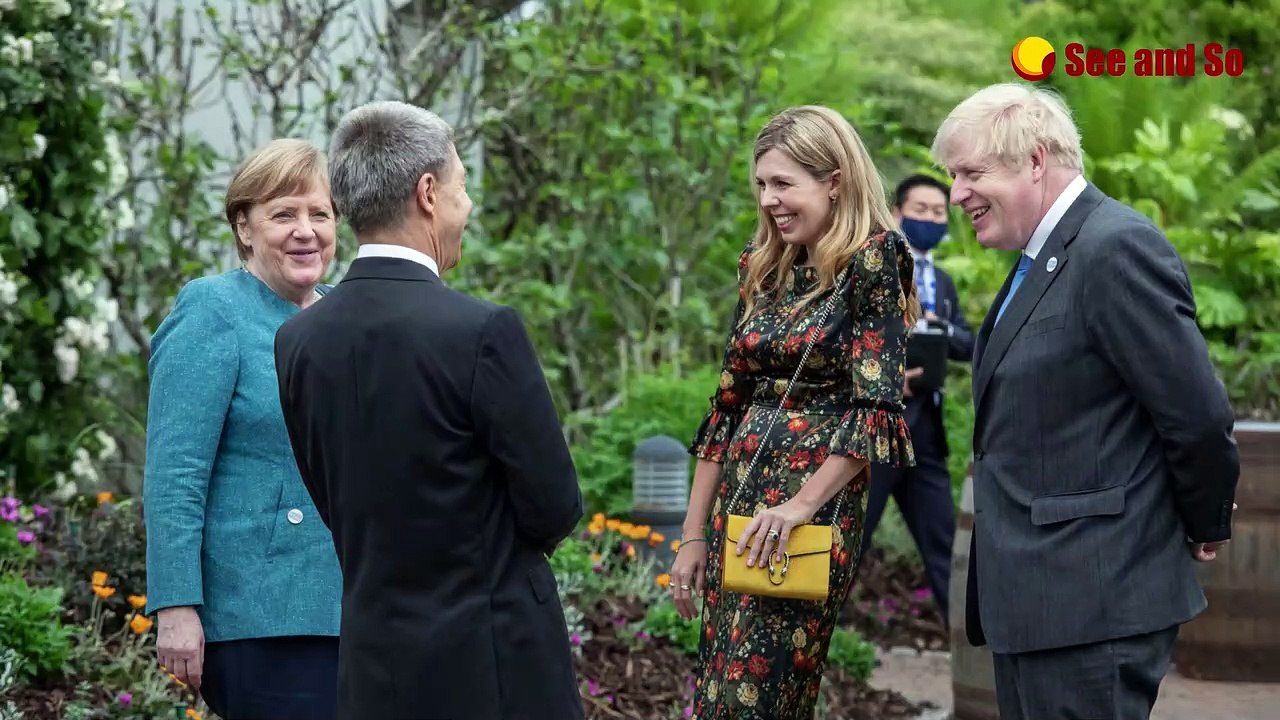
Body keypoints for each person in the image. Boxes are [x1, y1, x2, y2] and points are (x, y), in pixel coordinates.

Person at [932, 82, 1239, 720]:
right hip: (1040, 607)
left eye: (971, 173)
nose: (956, 193)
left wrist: (1204, 520)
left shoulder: (1114, 248)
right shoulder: (1044, 257)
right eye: (953, 176)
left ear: (1035, 161)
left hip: (1093, 605)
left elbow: (1197, 416)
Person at [273, 101, 585, 720]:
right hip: (493, 662)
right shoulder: (481, 331)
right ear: (427, 194)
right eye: (461, 186)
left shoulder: (298, 340)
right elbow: (555, 505)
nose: (466, 206)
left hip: (373, 665)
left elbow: (333, 499)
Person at [670, 105, 918, 719]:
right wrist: (693, 533)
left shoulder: (874, 260)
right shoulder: (762, 264)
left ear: (834, 181)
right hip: (742, 496)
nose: (768, 200)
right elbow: (726, 407)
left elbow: (876, 410)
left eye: (783, 183)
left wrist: (798, 506)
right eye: (761, 184)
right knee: (720, 687)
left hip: (811, 508)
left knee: (763, 692)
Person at [143, 138, 343, 719]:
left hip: (355, 611)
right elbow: (175, 473)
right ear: (244, 227)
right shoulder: (213, 309)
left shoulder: (345, 316)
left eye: (320, 214)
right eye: (283, 215)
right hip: (259, 619)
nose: (306, 231)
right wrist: (176, 606)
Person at [858, 174, 974, 624]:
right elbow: (845, 338)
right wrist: (883, 378)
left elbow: (967, 342)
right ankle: (816, 639)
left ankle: (970, 645)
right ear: (897, 213)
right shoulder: (870, 268)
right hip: (877, 428)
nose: (930, 219)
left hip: (926, 432)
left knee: (945, 542)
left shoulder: (942, 283)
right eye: (920, 210)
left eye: (938, 212)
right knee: (853, 535)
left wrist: (937, 328)